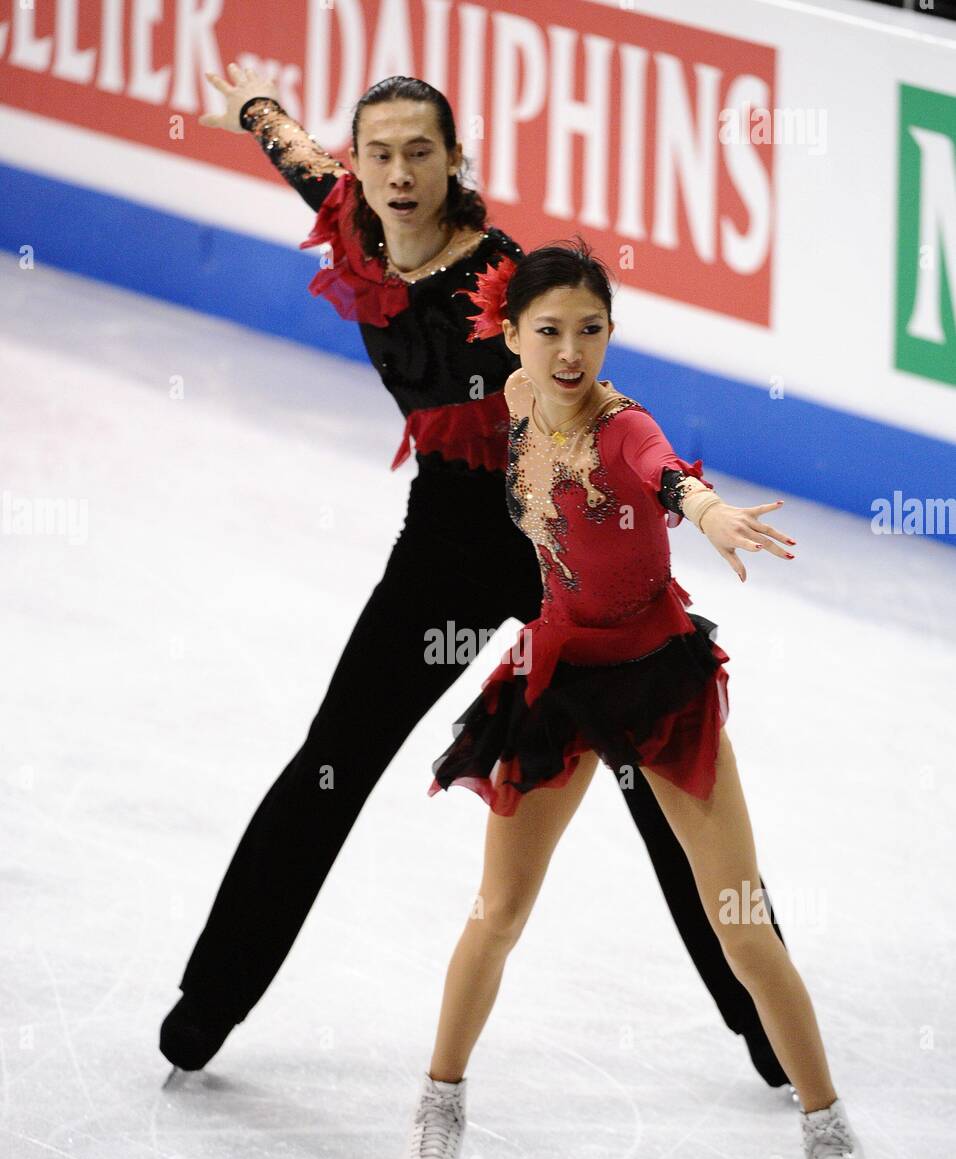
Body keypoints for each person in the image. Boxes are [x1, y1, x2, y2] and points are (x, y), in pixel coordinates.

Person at [160, 64, 790, 1090]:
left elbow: (599, 403)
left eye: (421, 153)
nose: (398, 173)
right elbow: (295, 152)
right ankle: (210, 996)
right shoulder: (353, 210)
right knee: (334, 752)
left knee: (655, 775)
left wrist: (683, 496)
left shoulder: (498, 281)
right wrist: (253, 107)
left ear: (457, 162)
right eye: (379, 154)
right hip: (449, 534)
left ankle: (766, 1022)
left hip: (556, 531)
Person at [393, 242, 879, 1159]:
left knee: (741, 922)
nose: (571, 350)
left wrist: (707, 511)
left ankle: (826, 1128)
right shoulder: (513, 398)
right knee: (497, 911)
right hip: (558, 676)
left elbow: (664, 476)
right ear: (514, 335)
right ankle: (438, 1104)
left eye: (591, 328)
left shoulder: (625, 432)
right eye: (550, 329)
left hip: (656, 680)